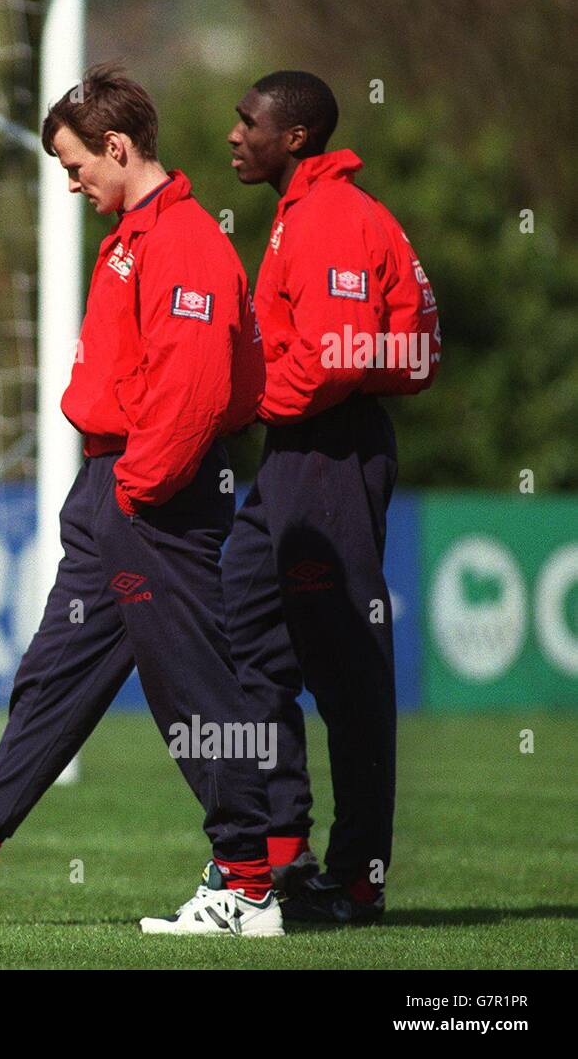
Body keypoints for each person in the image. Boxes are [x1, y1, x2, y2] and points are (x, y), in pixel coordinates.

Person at [0, 65, 280, 937]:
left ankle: (248, 884)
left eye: (78, 164)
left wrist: (136, 488)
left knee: (193, 691)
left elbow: (200, 390)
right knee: (53, 680)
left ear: (118, 148)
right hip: (113, 495)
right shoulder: (133, 234)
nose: (72, 180)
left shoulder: (184, 240)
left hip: (151, 494)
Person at [223, 70, 441, 923]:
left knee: (347, 667)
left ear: (296, 137)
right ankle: (281, 848)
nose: (235, 134)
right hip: (295, 453)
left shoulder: (332, 218)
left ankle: (356, 879)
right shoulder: (300, 210)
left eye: (250, 123)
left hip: (332, 451)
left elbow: (333, 363)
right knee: (242, 618)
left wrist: (236, 403)